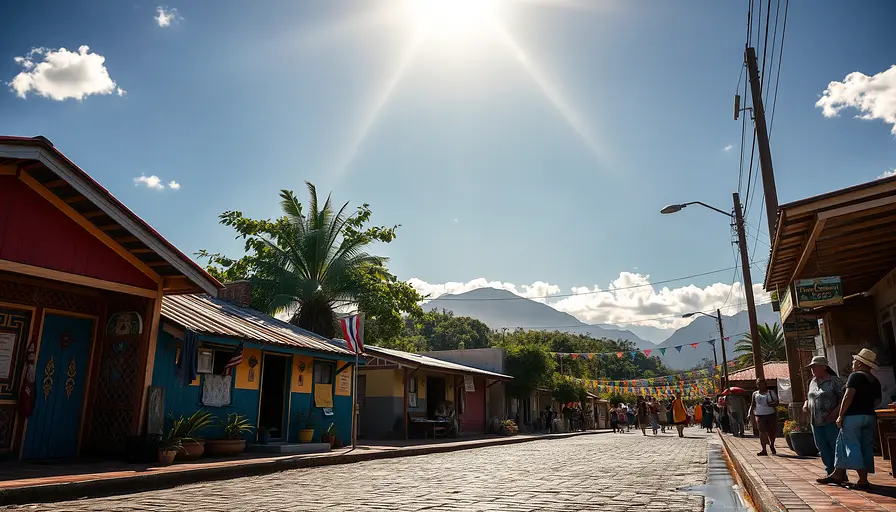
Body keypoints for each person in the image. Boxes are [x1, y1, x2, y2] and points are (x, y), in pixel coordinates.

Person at [818, 349, 881, 490]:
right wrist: (866, 406)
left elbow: (848, 396)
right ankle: (837, 474)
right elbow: (878, 401)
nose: (852, 363)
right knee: (857, 445)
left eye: (854, 361)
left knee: (851, 445)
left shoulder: (855, 376)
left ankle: (863, 480)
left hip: (853, 417)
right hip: (869, 416)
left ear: (859, 363)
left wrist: (840, 415)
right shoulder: (874, 380)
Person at [803, 355, 844, 478]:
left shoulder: (834, 381)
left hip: (830, 420)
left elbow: (843, 398)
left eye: (815, 366)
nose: (812, 369)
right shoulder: (812, 382)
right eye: (812, 367)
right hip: (815, 420)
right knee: (821, 447)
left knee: (835, 445)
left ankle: (839, 472)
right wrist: (806, 404)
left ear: (824, 367)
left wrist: (836, 412)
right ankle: (829, 471)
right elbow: (809, 396)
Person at [749, 378, 779, 456]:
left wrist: (771, 404)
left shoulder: (770, 392)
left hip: (771, 414)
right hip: (760, 415)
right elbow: (752, 404)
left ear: (765, 384)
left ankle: (772, 444)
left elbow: (777, 402)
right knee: (762, 431)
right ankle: (764, 450)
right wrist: (749, 413)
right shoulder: (755, 394)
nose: (760, 385)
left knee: (772, 432)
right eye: (758, 383)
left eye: (761, 383)